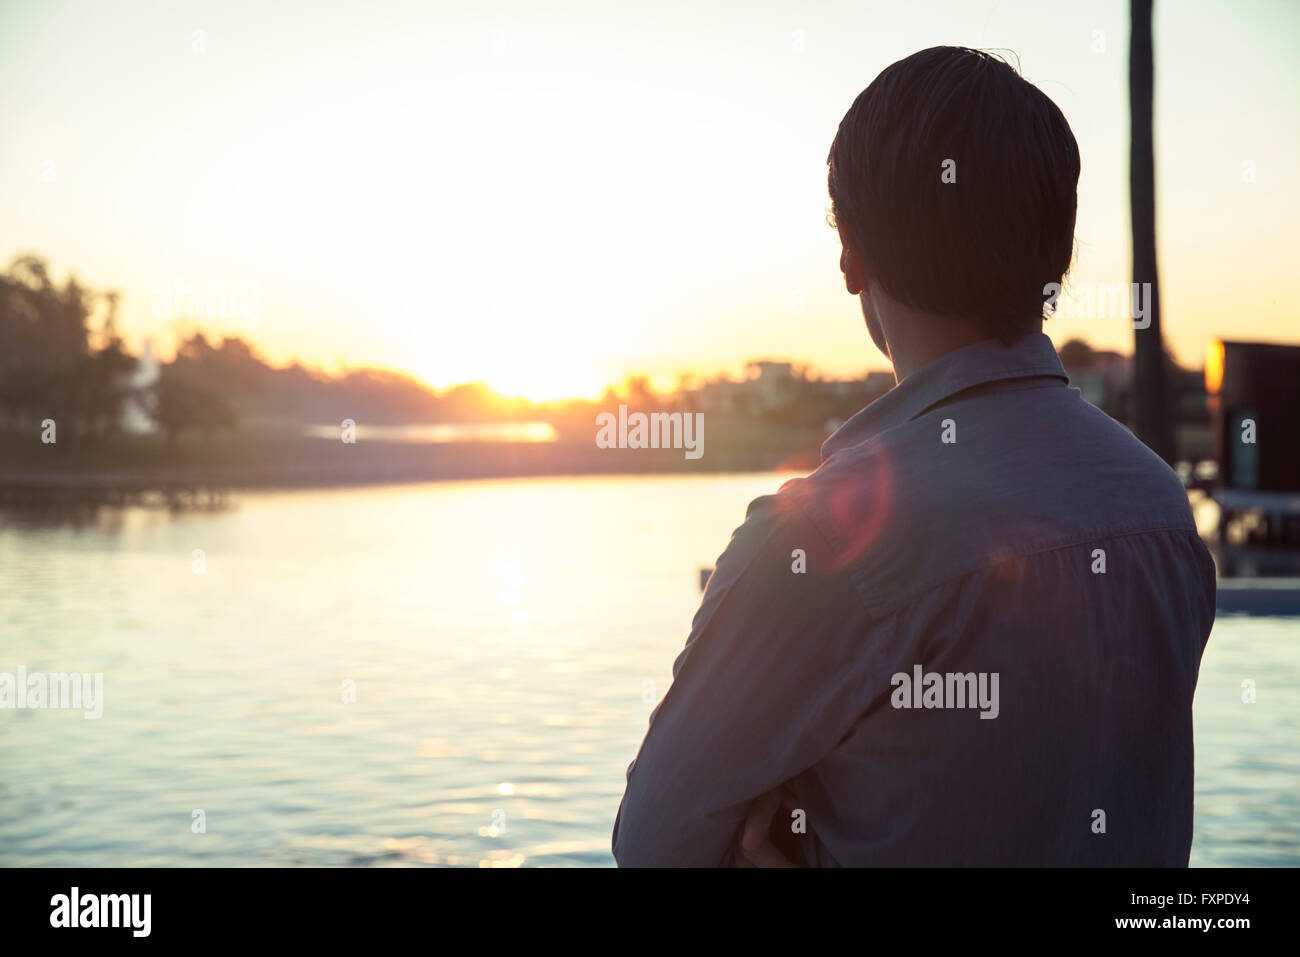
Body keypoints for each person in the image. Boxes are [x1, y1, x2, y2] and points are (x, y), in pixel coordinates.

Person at [611, 46, 1217, 867]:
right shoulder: (1161, 511)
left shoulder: (819, 540)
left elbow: (655, 844)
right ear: (1058, 257)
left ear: (850, 254)